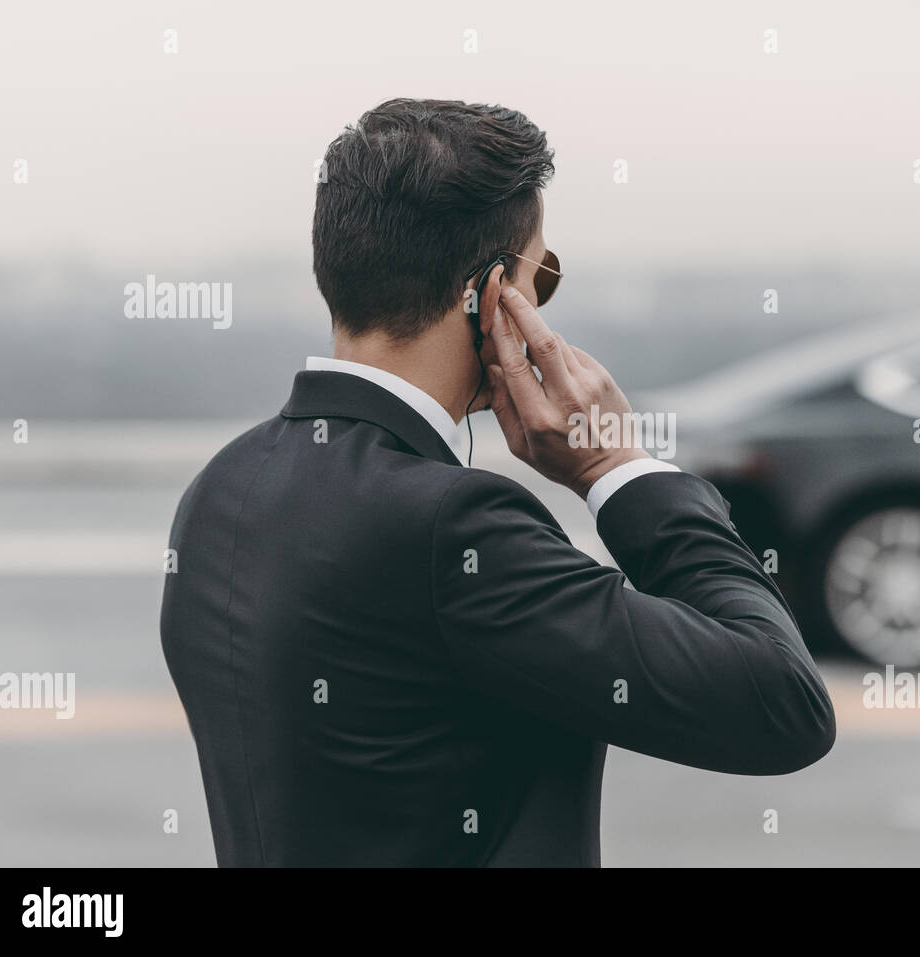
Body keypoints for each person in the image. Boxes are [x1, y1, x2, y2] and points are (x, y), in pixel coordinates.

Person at [159, 98, 835, 867]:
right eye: (539, 275)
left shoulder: (218, 492)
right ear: (488, 297)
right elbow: (781, 704)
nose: (544, 298)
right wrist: (619, 468)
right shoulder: (455, 528)